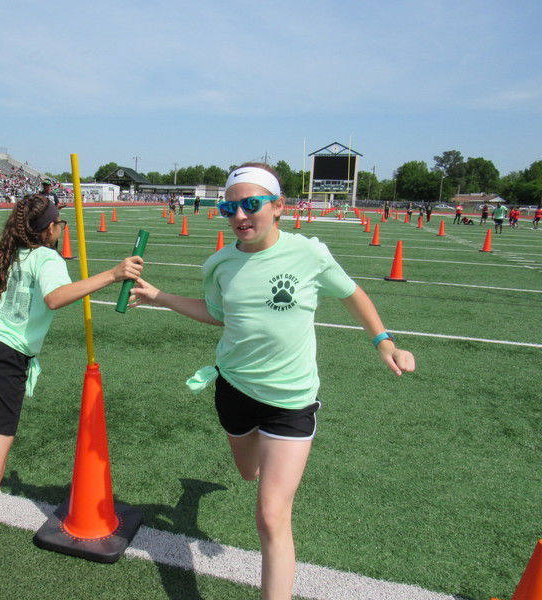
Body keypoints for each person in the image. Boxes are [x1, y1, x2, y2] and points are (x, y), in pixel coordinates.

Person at [129, 163, 415, 600]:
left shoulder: (310, 254)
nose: (240, 216)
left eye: (251, 204)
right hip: (234, 390)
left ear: (278, 206)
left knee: (270, 516)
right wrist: (159, 297)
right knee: (248, 472)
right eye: (230, 208)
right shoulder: (220, 265)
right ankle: (234, 477)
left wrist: (384, 342)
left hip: (291, 402)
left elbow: (352, 294)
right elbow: (217, 314)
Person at [0, 194, 144, 600]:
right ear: (50, 228)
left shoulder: (5, 257)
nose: (61, 229)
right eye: (60, 223)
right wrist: (113, 274)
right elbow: (55, 297)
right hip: (3, 359)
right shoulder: (46, 258)